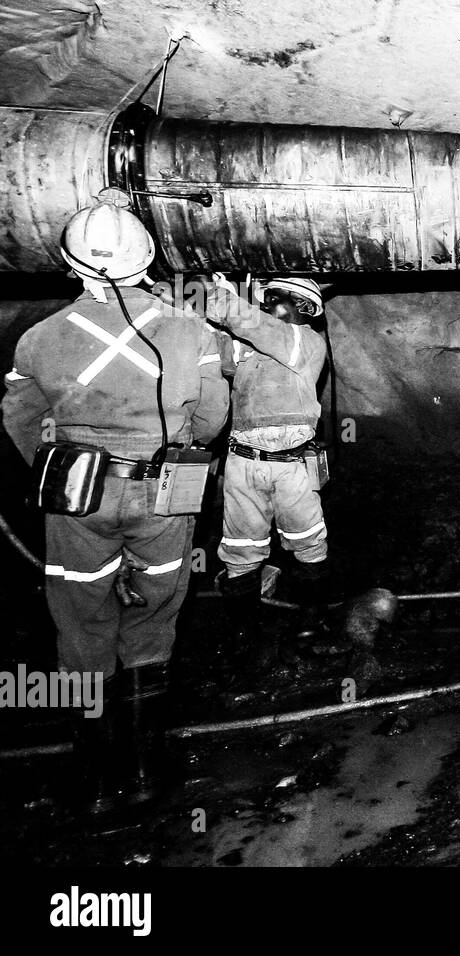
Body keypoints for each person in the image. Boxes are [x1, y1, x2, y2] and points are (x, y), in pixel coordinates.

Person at [2, 188, 229, 813]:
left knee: (81, 622)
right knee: (155, 616)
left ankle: (98, 784)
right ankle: (147, 774)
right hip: (164, 492)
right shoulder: (191, 329)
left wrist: (62, 469)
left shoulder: (39, 338)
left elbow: (22, 418)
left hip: (77, 495)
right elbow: (211, 415)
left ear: (72, 265)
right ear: (145, 260)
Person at [205, 274, 331, 662]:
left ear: (304, 308)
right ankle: (244, 636)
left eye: (273, 298)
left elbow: (256, 326)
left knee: (308, 545)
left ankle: (312, 622)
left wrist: (223, 297)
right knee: (241, 552)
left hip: (293, 465)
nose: (264, 304)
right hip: (244, 462)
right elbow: (219, 355)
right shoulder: (252, 345)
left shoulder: (305, 341)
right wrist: (214, 326)